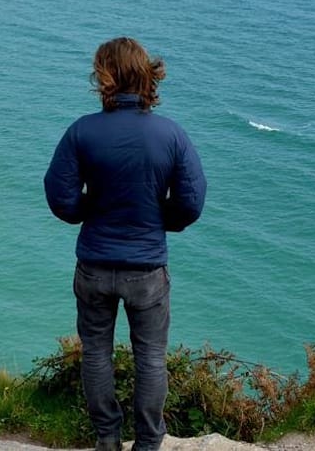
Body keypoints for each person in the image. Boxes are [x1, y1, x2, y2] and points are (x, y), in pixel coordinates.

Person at [44, 37, 207, 451]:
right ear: (147, 75)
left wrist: (91, 211)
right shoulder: (171, 134)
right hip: (147, 270)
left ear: (105, 77)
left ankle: (107, 439)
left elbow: (60, 198)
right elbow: (191, 204)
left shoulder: (82, 131)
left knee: (97, 353)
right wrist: (156, 221)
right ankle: (149, 444)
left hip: (94, 265)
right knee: (150, 358)